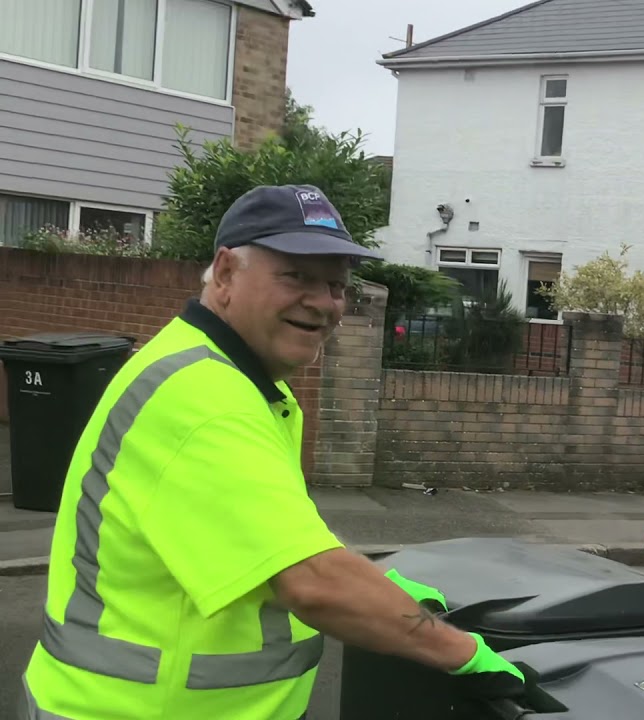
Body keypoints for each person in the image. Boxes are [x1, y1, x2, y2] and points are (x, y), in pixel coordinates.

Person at [22, 185, 524, 719]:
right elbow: (311, 583)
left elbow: (278, 537)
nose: (323, 301)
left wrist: (376, 586)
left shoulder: (241, 381)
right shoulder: (207, 398)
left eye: (335, 284)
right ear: (225, 273)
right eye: (296, 276)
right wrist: (464, 655)